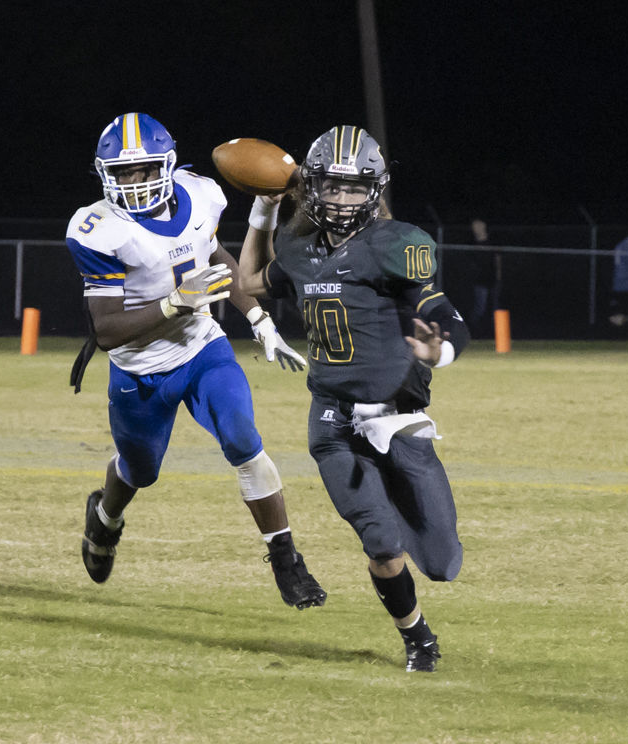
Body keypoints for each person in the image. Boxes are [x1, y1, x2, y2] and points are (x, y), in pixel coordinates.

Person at [64, 112, 326, 610]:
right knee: (139, 472)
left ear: (165, 165)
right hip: (140, 368)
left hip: (203, 347)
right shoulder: (98, 228)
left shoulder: (201, 192)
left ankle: (286, 556)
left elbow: (213, 256)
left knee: (243, 439)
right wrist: (173, 303)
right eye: (122, 173)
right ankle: (105, 521)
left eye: (142, 170)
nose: (133, 182)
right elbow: (104, 328)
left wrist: (258, 319)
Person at [237, 125, 470, 671]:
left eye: (355, 187)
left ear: (376, 189)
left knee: (441, 561)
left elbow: (440, 310)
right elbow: (247, 281)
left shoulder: (397, 244)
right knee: (382, 544)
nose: (343, 199)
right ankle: (417, 638)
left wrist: (441, 350)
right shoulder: (296, 246)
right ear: (312, 186)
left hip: (398, 418)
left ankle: (422, 590)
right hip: (333, 422)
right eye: (333, 187)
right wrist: (262, 212)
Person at [467, 218, 501, 336]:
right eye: (473, 227)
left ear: (483, 226)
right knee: (480, 307)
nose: (475, 229)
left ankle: (496, 331)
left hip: (492, 278)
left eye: (477, 226)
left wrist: (499, 276)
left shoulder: (492, 241)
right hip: (479, 280)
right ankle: (473, 331)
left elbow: (497, 259)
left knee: (495, 308)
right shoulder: (472, 243)